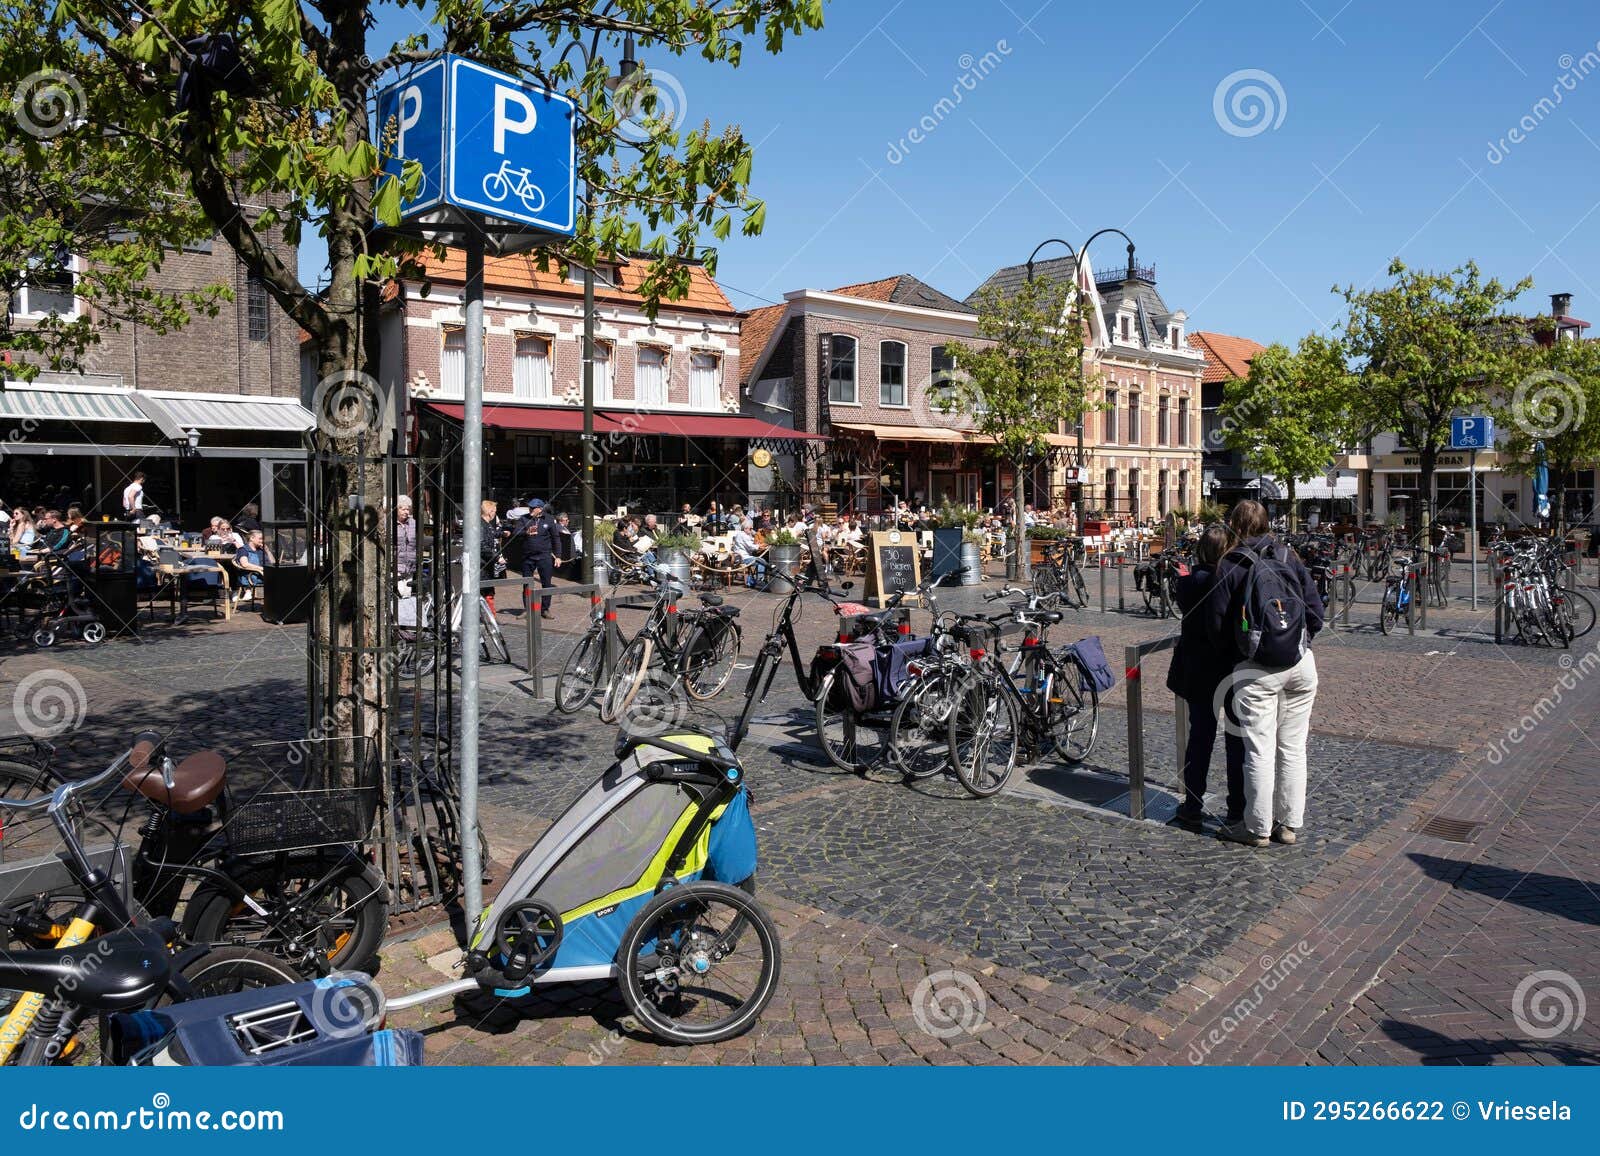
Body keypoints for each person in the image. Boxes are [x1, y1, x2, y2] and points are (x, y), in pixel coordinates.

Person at [1203, 500, 1324, 848]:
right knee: (1293, 747)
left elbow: (1216, 624)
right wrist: (1299, 642)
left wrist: (1239, 657)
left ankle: (1256, 829)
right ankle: (1289, 826)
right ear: (1266, 524)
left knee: (1258, 749)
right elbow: (1315, 610)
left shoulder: (1230, 564)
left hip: (1256, 669)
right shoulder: (1289, 556)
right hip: (1300, 665)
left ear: (1233, 526)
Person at [1166, 524, 1246, 831]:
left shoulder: (1191, 581)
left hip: (1199, 669)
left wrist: (1185, 575)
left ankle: (1193, 804)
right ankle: (1237, 807)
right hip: (1232, 667)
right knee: (1236, 740)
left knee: (1199, 738)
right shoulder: (1235, 577)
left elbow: (1184, 597)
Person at [515, 498, 563, 617]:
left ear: (540, 509)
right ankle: (527, 609)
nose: (530, 509)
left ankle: (545, 609)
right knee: (527, 583)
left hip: (544, 556)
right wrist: (526, 532)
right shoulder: (524, 519)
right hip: (528, 556)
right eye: (530, 507)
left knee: (546, 583)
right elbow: (515, 533)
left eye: (533, 508)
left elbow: (555, 538)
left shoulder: (549, 519)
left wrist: (558, 556)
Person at [232, 529, 271, 605]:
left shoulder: (261, 550)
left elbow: (272, 563)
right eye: (260, 538)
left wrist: (268, 551)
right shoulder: (243, 550)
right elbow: (245, 564)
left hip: (265, 574)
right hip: (252, 576)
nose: (262, 541)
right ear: (252, 538)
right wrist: (262, 569)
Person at [478, 498, 503, 614]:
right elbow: (482, 545)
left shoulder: (486, 525)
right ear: (490, 512)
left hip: (487, 564)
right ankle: (489, 617)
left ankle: (490, 616)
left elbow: (491, 535)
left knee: (489, 591)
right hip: (482, 565)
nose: (495, 514)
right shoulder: (482, 525)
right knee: (485, 592)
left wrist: (503, 533)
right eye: (494, 511)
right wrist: (497, 557)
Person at [731, 518, 766, 586]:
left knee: (761, 560)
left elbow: (753, 542)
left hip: (744, 557)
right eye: (750, 528)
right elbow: (751, 546)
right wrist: (761, 546)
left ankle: (753, 580)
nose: (751, 530)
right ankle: (759, 579)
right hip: (743, 558)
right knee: (762, 561)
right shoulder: (742, 535)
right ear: (745, 528)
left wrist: (760, 544)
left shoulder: (744, 535)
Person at [395, 496, 417, 578]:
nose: (406, 512)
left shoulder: (414, 523)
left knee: (407, 590)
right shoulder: (389, 524)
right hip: (395, 568)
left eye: (408, 509)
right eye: (403, 509)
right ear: (397, 509)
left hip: (410, 567)